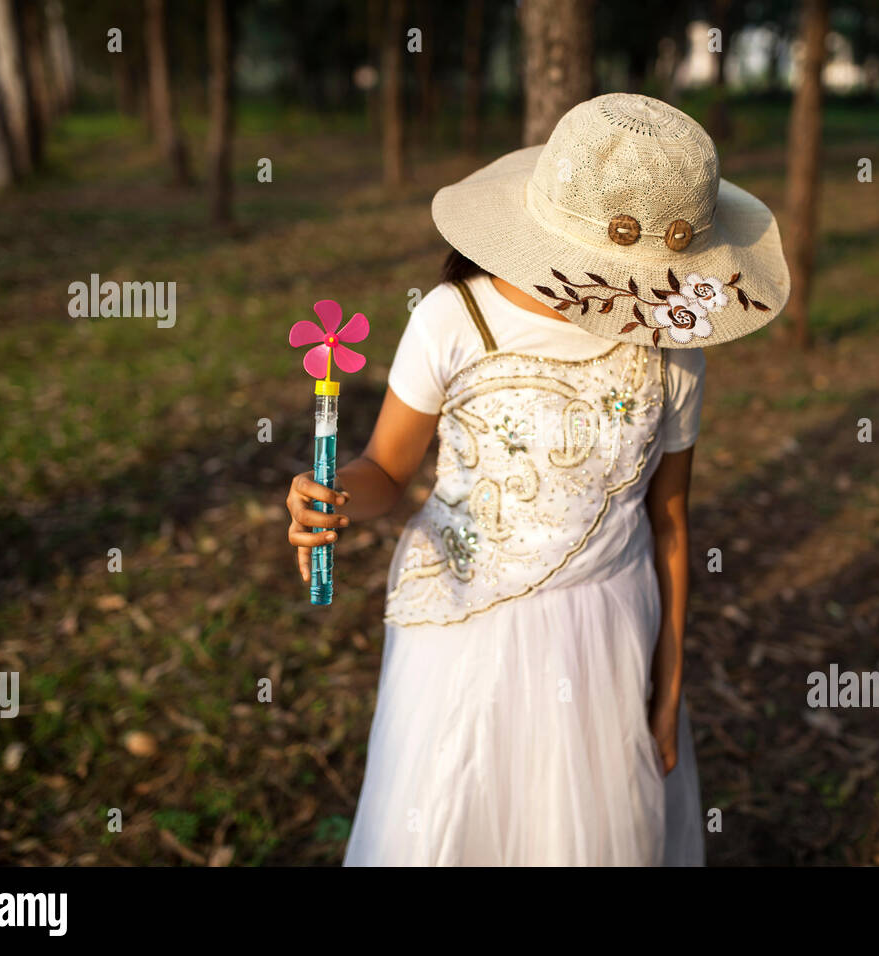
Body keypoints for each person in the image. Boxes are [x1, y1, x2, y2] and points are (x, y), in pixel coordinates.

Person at [285, 93, 790, 865]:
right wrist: (336, 496)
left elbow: (672, 522)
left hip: (609, 629)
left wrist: (669, 686)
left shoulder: (672, 351)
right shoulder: (455, 318)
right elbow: (388, 467)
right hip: (461, 632)